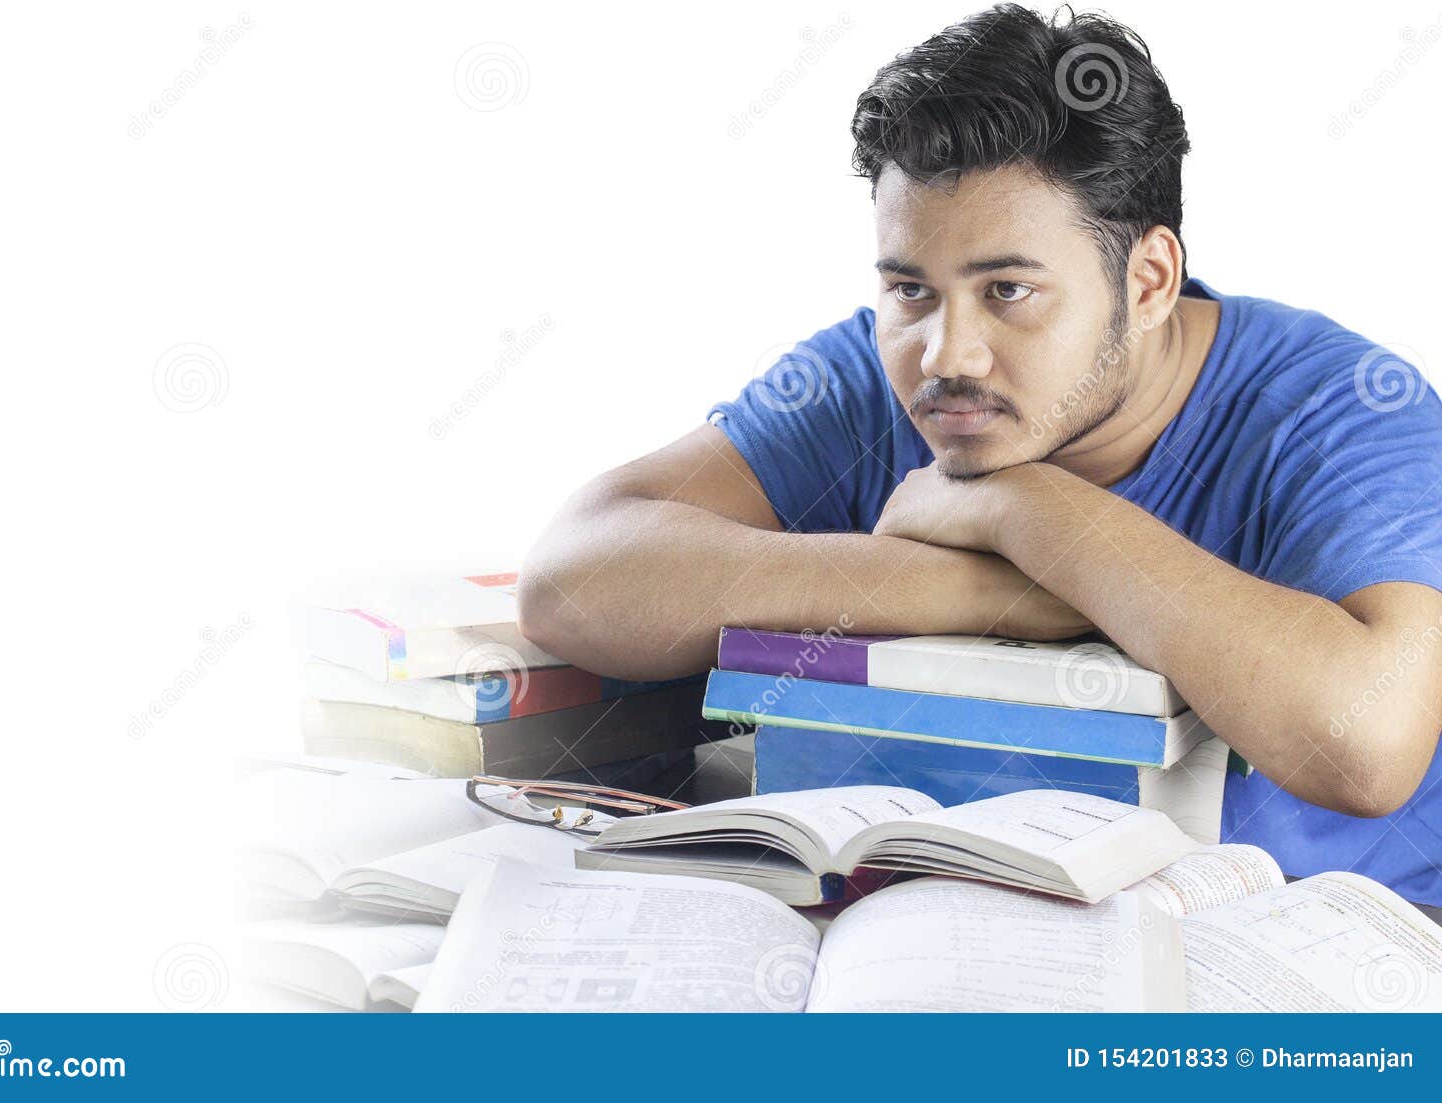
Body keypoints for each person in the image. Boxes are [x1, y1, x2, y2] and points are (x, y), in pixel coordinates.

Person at [516, 4, 1442, 905]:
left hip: (1290, 953)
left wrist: (1026, 510)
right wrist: (993, 591)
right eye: (910, 289)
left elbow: (1367, 748)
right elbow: (571, 581)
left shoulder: (1342, 407)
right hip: (946, 924)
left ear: (1149, 281)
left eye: (1007, 291)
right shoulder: (867, 378)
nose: (946, 356)